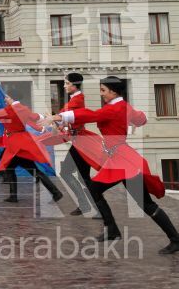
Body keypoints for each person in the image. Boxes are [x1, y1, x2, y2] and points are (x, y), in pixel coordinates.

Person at [47, 75, 179, 254]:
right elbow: (141, 119)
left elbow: (92, 115)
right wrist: (135, 119)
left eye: (103, 91)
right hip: (120, 159)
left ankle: (172, 239)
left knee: (144, 203)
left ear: (113, 91)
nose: (101, 94)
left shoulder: (114, 109)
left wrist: (60, 116)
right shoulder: (123, 106)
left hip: (122, 161)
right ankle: (113, 229)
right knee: (105, 192)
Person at [0, 93, 63, 205]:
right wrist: (49, 118)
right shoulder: (24, 111)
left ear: (12, 101)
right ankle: (18, 195)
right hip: (22, 143)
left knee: (18, 168)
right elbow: (35, 116)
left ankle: (50, 193)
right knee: (25, 169)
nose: (6, 100)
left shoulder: (9, 111)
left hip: (16, 145)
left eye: (8, 98)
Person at [40, 72, 103, 217]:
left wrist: (53, 119)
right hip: (78, 141)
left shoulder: (77, 100)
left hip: (81, 142)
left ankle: (93, 207)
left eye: (67, 83)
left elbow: (64, 116)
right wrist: (54, 121)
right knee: (81, 176)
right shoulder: (74, 100)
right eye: (65, 83)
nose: (64, 86)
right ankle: (90, 206)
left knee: (71, 174)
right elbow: (63, 118)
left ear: (75, 85)